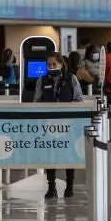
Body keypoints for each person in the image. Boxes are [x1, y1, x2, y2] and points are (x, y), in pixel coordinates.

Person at [34, 52, 83, 199]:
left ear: (61, 64)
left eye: (54, 64)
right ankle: (51, 188)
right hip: (49, 124)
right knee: (50, 155)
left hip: (68, 124)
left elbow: (79, 99)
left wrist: (67, 107)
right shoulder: (41, 81)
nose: (51, 67)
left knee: (69, 154)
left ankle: (69, 187)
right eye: (48, 64)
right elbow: (37, 101)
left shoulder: (71, 79)